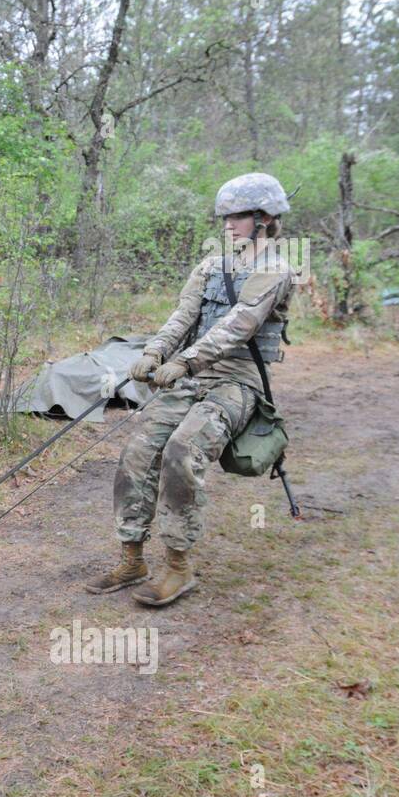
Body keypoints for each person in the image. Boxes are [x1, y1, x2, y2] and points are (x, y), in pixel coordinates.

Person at [85, 172, 295, 606]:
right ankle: (132, 558)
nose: (228, 224)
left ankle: (178, 567)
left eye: (238, 216)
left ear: (264, 218)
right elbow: (182, 317)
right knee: (138, 451)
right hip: (194, 376)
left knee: (182, 451)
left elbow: (240, 327)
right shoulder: (211, 266)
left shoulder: (276, 269)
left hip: (239, 382)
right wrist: (156, 352)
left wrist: (183, 361)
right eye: (225, 216)